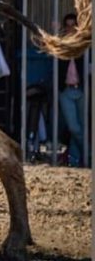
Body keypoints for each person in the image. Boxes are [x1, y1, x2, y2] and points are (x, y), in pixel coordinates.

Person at [57, 13, 87, 167]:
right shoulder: (61, 46)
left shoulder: (84, 46)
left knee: (83, 126)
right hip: (66, 90)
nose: (70, 29)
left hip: (82, 89)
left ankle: (77, 159)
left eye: (73, 26)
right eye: (67, 26)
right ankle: (88, 154)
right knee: (74, 128)